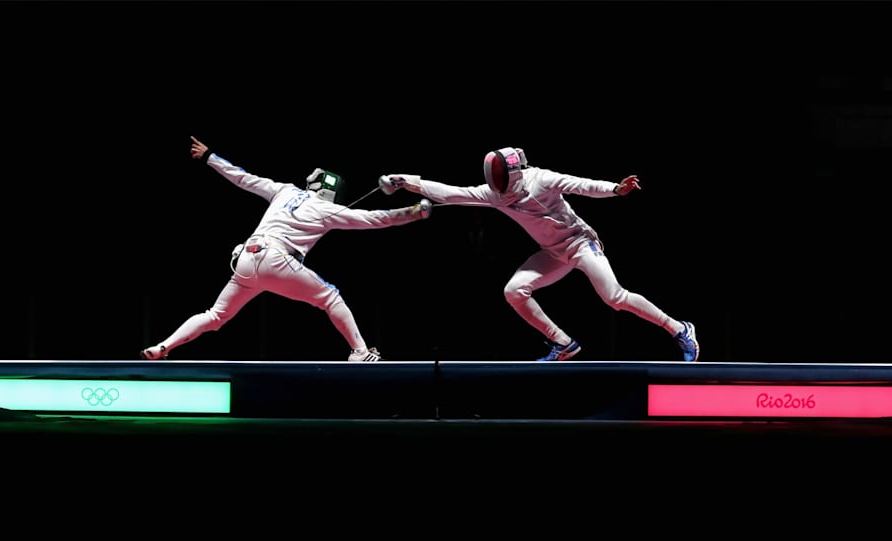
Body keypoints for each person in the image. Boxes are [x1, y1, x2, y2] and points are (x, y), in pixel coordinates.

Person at [379, 147, 699, 362]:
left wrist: (615, 188)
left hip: (581, 243)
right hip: (553, 253)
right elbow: (452, 193)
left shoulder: (542, 180)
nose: (497, 185)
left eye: (501, 177)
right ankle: (562, 343)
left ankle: (679, 328)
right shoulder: (495, 194)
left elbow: (581, 185)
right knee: (514, 291)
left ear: (515, 172)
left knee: (613, 297)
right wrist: (408, 181)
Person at [140, 136, 433, 362]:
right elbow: (374, 219)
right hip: (277, 259)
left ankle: (163, 346)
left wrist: (210, 157)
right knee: (330, 298)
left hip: (245, 257)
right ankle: (359, 351)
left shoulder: (285, 190)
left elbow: (244, 178)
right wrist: (414, 212)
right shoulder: (327, 210)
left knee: (216, 316)